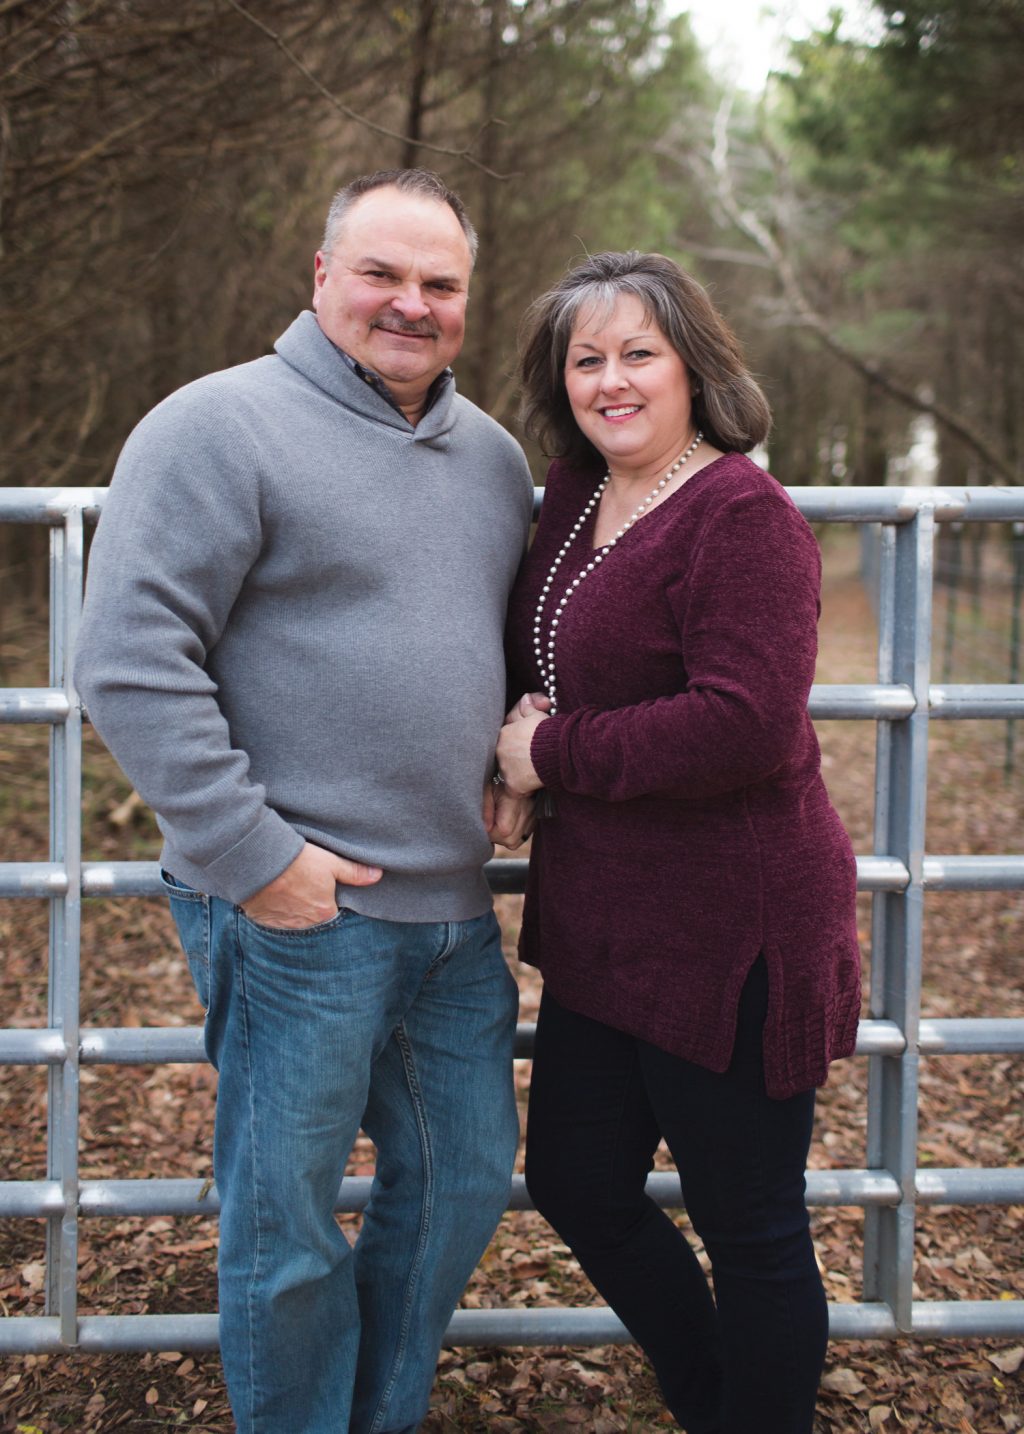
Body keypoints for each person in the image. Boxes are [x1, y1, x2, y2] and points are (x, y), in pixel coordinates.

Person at [74, 168, 536, 1434]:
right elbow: (126, 658)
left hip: (451, 914)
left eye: (440, 284)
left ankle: (372, 1416)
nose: (411, 303)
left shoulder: (491, 458)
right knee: (284, 1231)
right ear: (319, 277)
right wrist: (254, 854)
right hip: (293, 914)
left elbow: (500, 648)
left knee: (461, 1187)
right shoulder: (215, 426)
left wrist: (518, 755)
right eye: (381, 273)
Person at [496, 250, 862, 1434]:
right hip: (610, 925)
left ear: (692, 368)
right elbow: (549, 651)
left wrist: (547, 758)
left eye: (637, 353)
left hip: (732, 927)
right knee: (575, 1181)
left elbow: (746, 725)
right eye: (586, 358)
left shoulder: (742, 516)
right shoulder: (570, 498)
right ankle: (718, 1401)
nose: (611, 379)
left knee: (750, 1223)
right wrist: (509, 732)